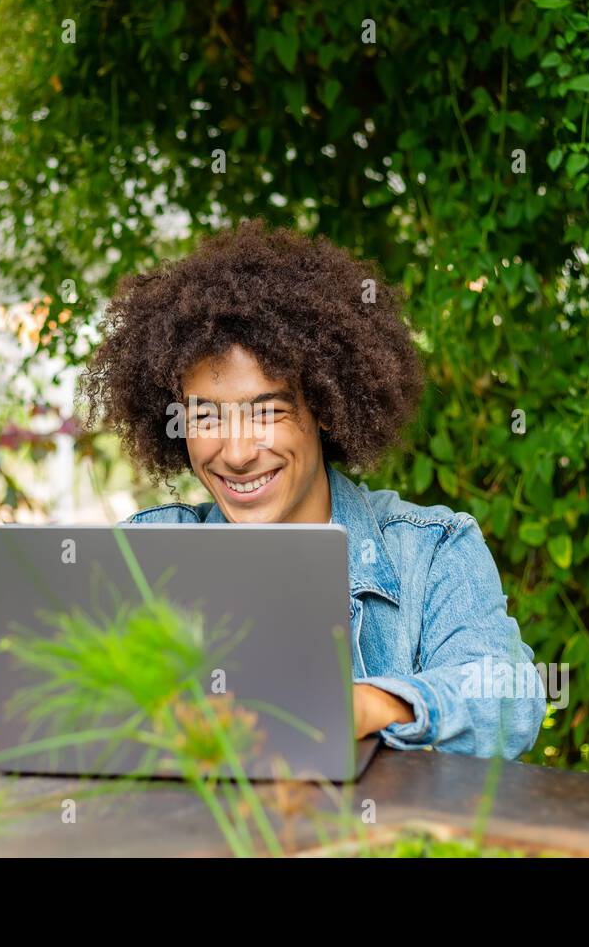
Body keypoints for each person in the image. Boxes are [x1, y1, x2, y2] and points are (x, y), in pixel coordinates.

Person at [80, 219, 546, 758]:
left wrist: (371, 705)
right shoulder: (146, 554)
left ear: (325, 407)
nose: (235, 453)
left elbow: (508, 696)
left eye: (268, 412)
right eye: (205, 417)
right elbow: (15, 670)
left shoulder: (432, 549)